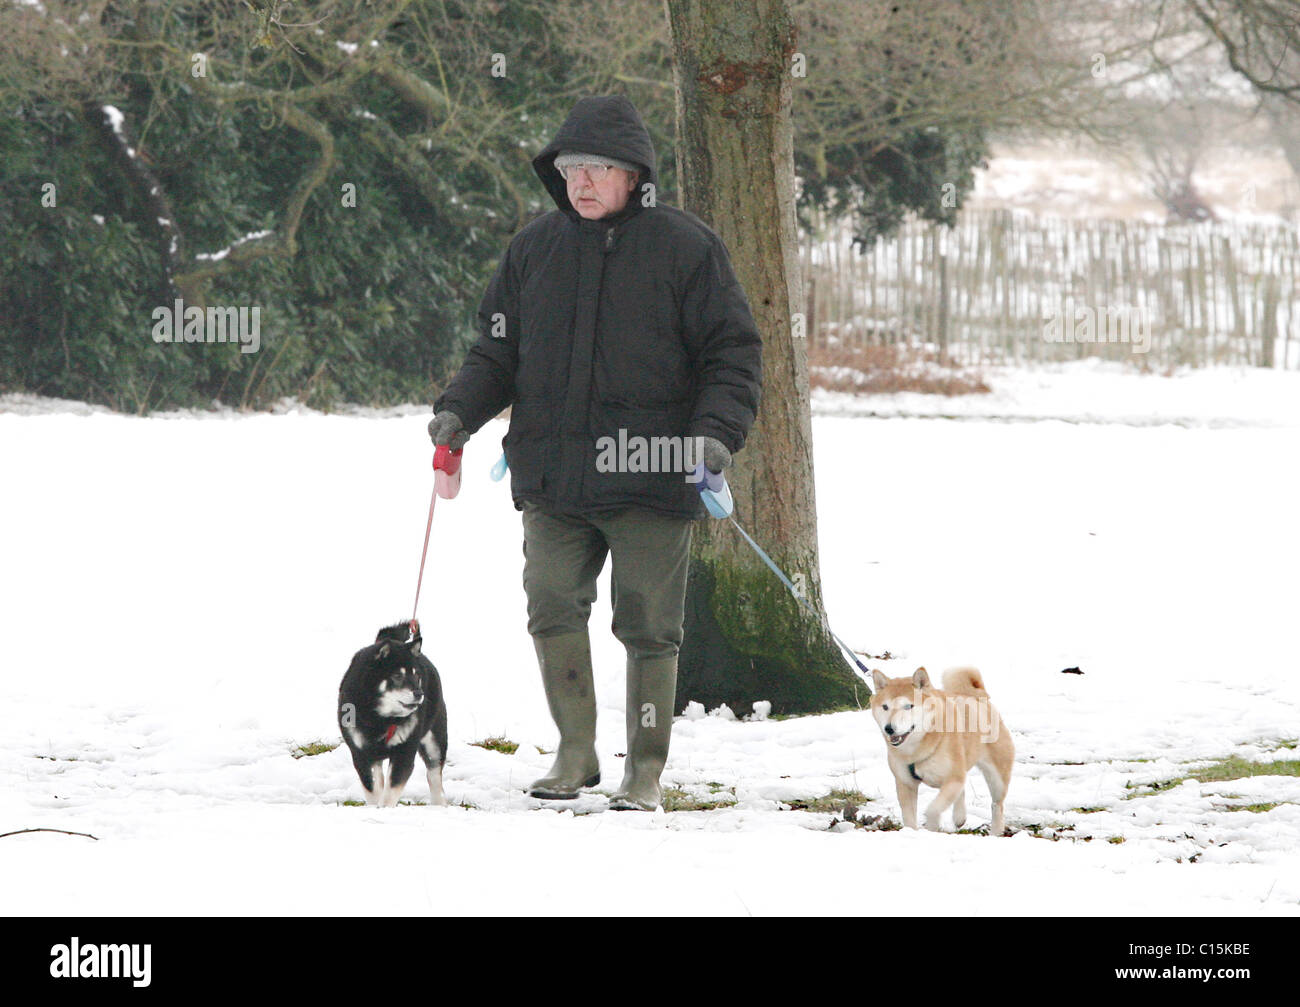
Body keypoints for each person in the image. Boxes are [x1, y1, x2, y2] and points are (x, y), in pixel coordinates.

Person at [428, 95, 762, 811]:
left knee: (648, 624)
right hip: (553, 476)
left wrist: (714, 435)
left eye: (599, 168)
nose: (581, 181)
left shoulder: (686, 247)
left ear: (634, 174)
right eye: (571, 167)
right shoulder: (533, 250)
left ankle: (644, 768)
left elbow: (732, 354)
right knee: (551, 602)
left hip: (651, 476)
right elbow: (496, 352)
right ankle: (575, 751)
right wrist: (459, 411)